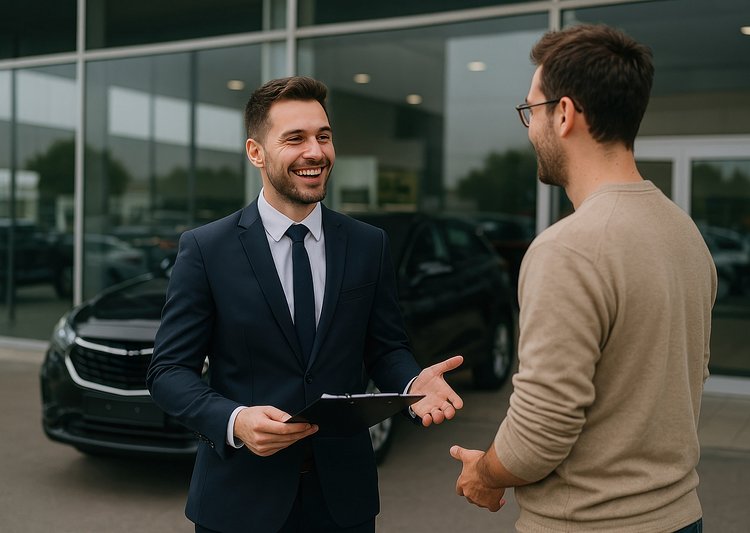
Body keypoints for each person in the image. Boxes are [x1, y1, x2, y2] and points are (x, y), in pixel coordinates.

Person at [147, 76, 464, 533]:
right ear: (256, 152)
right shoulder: (205, 248)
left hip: (343, 502)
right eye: (295, 138)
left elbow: (385, 349)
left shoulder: (368, 243)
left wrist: (413, 383)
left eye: (324, 136)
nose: (315, 152)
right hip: (238, 502)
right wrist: (234, 421)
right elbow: (168, 372)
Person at [449, 24, 716, 533]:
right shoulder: (685, 234)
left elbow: (541, 430)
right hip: (680, 517)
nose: (528, 128)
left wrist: (485, 474)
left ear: (565, 114)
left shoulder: (566, 249)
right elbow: (685, 379)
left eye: (531, 110)